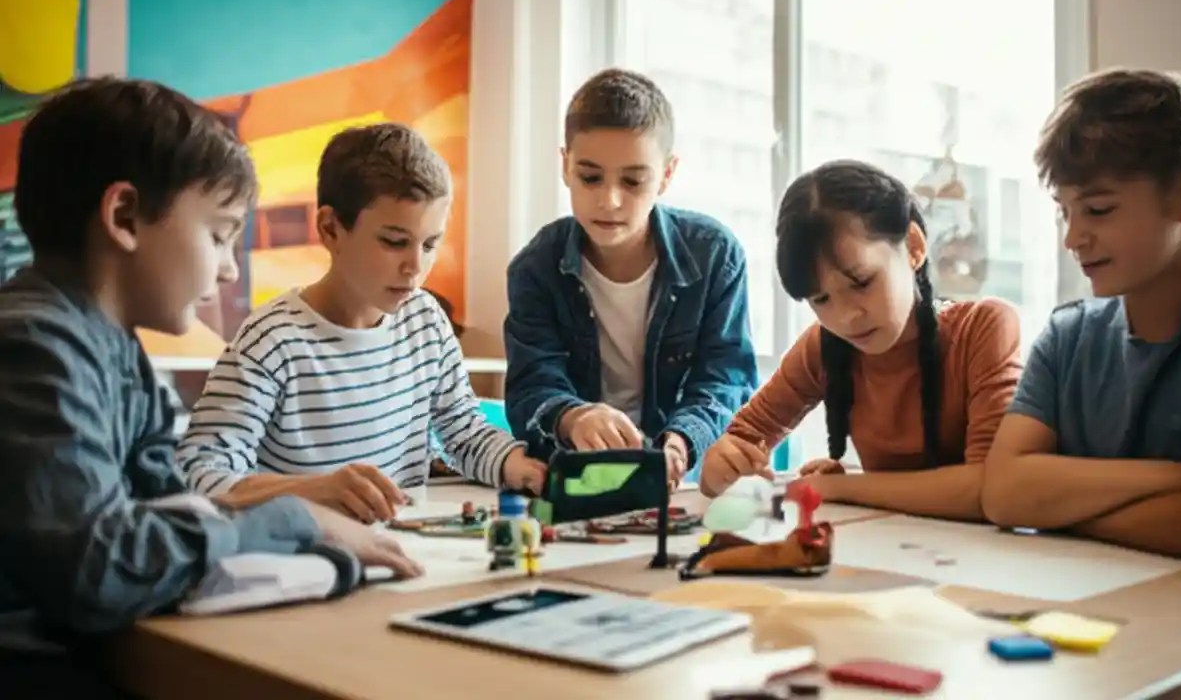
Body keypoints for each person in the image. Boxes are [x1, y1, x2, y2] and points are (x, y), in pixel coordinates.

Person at [0, 78, 420, 694]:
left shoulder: (115, 349)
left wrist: (321, 555)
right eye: (219, 235)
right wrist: (295, 518)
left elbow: (173, 511)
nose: (227, 269)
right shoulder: (34, 347)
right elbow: (99, 569)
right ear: (124, 217)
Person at [981, 68, 1181, 564]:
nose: (1073, 238)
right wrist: (1173, 478)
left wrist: (1058, 509)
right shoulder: (1065, 335)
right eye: (1064, 212)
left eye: (1098, 210)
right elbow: (1003, 493)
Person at [178, 123, 545, 522]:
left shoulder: (425, 321)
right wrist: (314, 491)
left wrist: (518, 465)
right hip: (307, 550)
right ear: (331, 229)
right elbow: (200, 473)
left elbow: (463, 431)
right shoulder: (272, 341)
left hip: (406, 546)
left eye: (429, 244)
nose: (415, 266)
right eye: (394, 241)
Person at [699, 160, 1023, 522]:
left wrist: (839, 487)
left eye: (862, 283)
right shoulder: (825, 345)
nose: (845, 317)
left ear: (913, 246)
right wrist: (721, 466)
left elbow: (988, 488)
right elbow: (734, 448)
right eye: (821, 299)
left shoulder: (982, 329)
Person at [504, 68, 757, 484]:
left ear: (667, 175)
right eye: (590, 177)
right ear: (565, 166)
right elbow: (531, 384)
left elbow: (725, 378)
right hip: (577, 479)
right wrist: (573, 417)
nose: (610, 200)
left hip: (684, 479)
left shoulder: (715, 255)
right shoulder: (535, 268)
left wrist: (681, 442)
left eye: (633, 181)